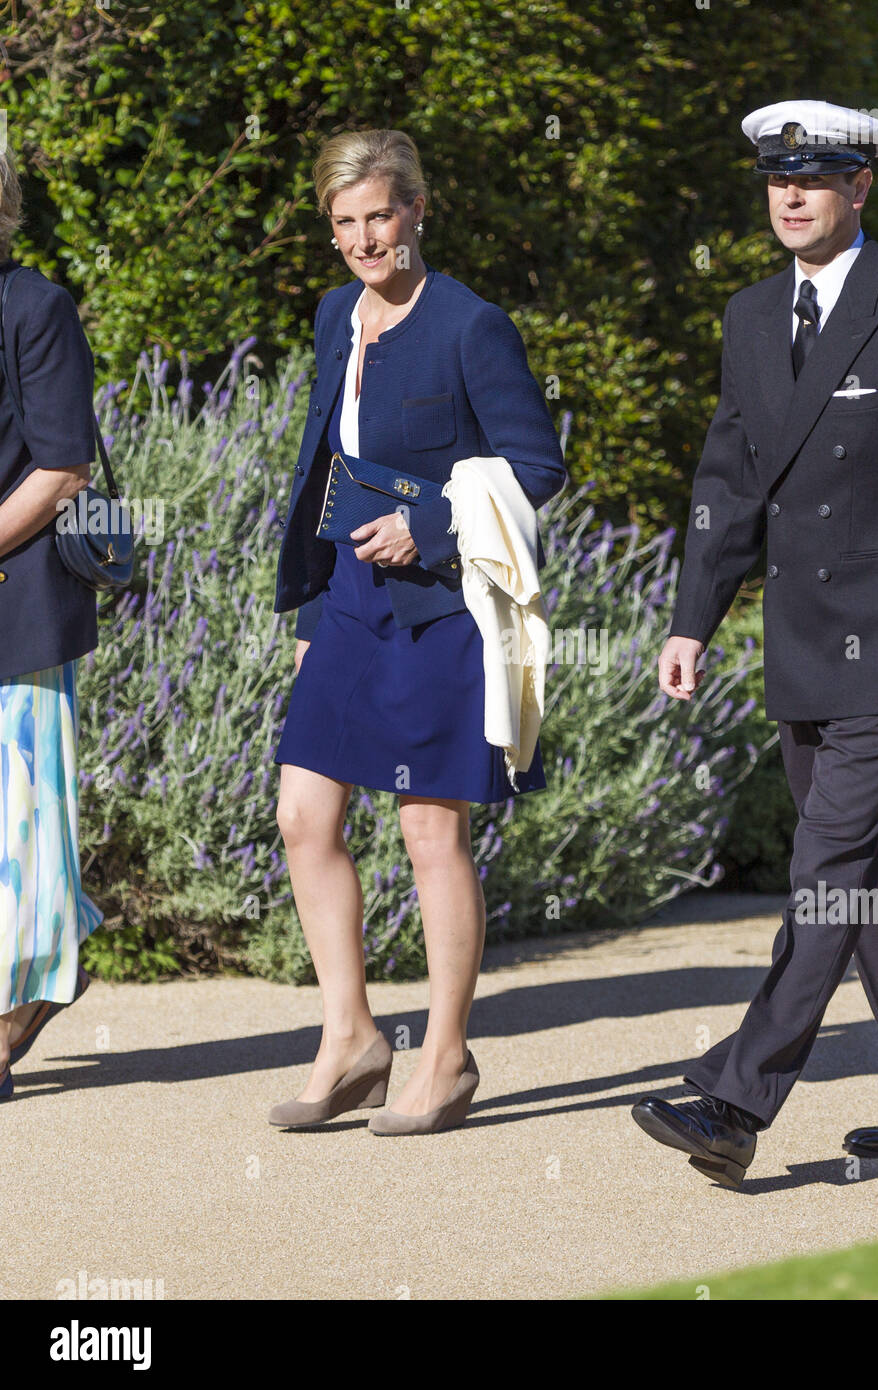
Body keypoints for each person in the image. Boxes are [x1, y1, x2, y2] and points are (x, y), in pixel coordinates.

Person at [632, 101, 878, 1189]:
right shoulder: (750, 317)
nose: (789, 195)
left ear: (861, 189)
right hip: (802, 652)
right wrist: (691, 617)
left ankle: (734, 1098)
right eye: (774, 177)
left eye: (815, 177)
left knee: (829, 875)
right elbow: (728, 482)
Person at [271, 129, 567, 1135]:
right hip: (348, 597)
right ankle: (350, 1035)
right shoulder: (332, 317)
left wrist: (430, 525)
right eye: (345, 223)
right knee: (303, 815)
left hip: (442, 601)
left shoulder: (470, 325)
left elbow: (537, 464)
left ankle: (443, 1058)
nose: (363, 239)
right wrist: (315, 609)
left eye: (379, 217)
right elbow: (328, 469)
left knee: (429, 828)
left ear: (416, 212)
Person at [0, 145, 99, 1101]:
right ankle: (63, 940)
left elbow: (64, 465)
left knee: (18, 828)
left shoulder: (36, 307)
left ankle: (7, 1019)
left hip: (15, 603)